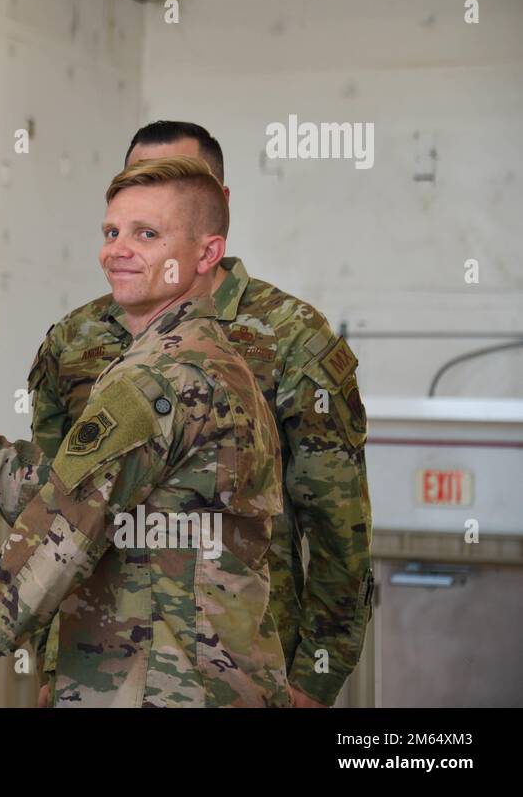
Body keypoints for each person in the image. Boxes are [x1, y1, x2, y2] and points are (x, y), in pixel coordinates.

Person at [0, 155, 289, 707]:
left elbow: (63, 527)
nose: (117, 250)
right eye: (111, 232)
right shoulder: (215, 361)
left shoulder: (156, 377)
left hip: (161, 686)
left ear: (207, 253)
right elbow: (82, 500)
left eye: (146, 234)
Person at [28, 122, 372, 707]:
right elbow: (47, 504)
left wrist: (317, 679)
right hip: (95, 672)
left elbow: (339, 529)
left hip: (234, 671)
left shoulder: (292, 339)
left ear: (217, 211)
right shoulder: (77, 339)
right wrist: (48, 658)